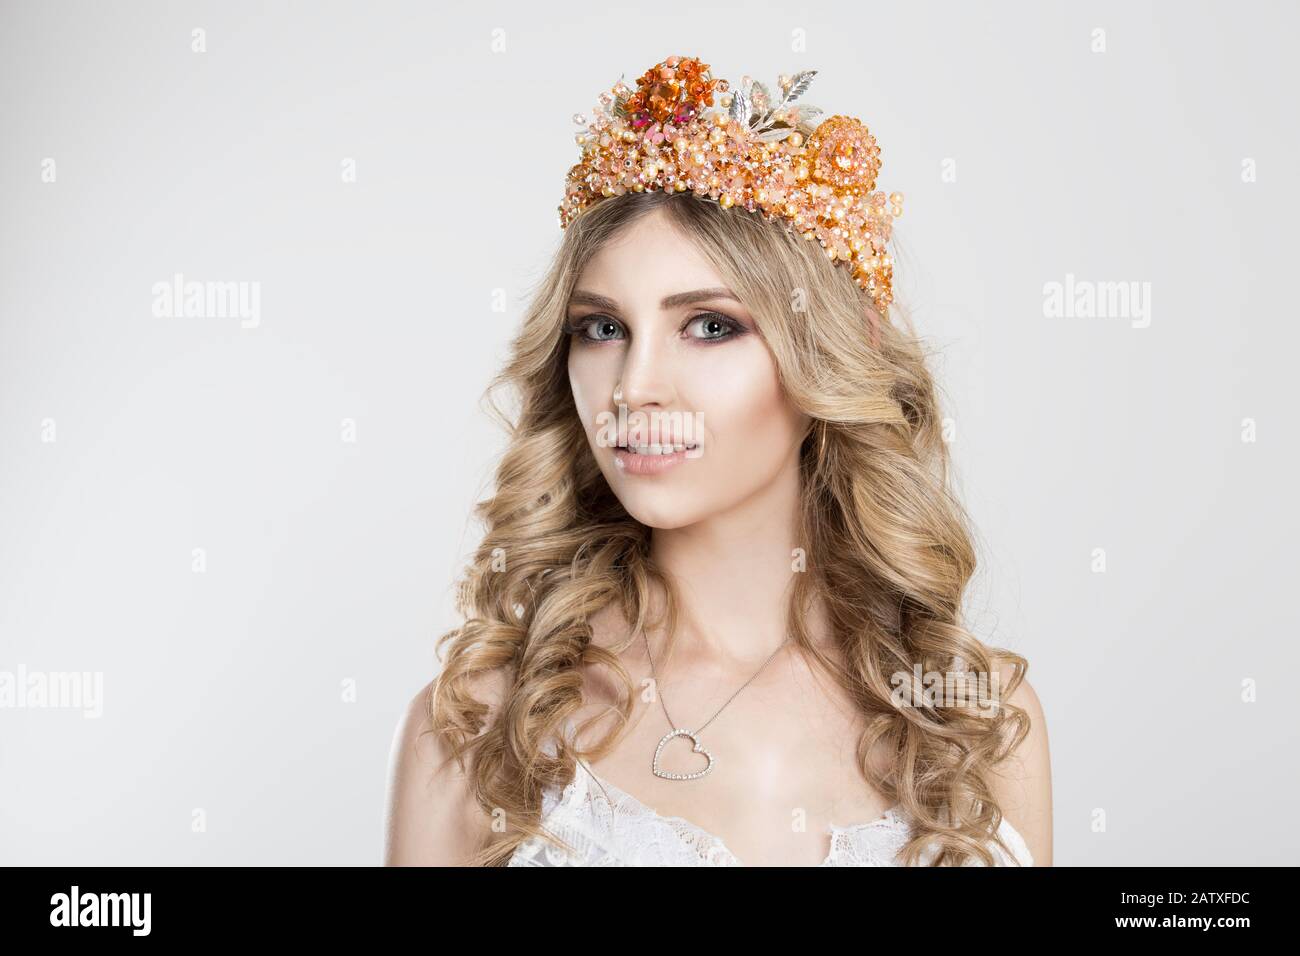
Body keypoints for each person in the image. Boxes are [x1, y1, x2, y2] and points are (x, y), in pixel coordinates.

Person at [384, 55, 1052, 867]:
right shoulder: (477, 729)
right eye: (602, 329)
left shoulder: (974, 723)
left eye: (708, 327)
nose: (634, 387)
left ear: (834, 355)